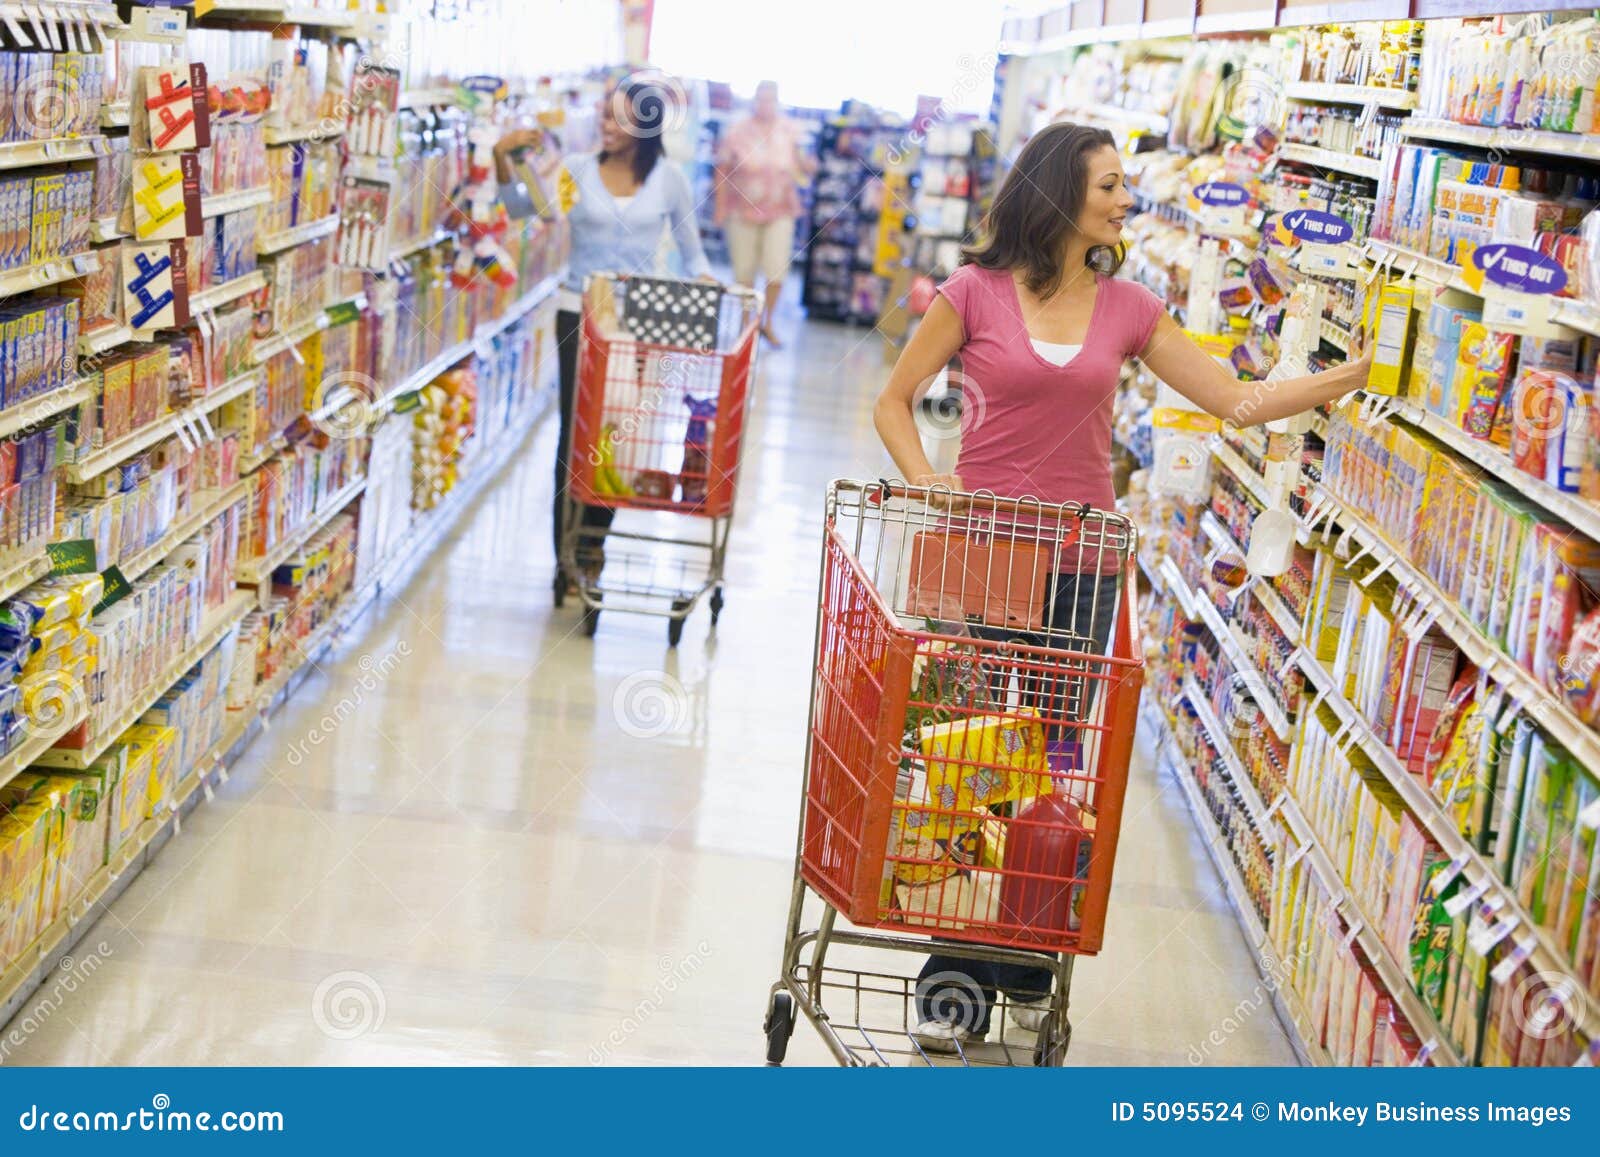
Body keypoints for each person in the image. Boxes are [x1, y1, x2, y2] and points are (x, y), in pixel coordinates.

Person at [873, 120, 1372, 1053]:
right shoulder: (973, 292)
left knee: (1056, 769)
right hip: (981, 558)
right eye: (1109, 184)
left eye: (1125, 186)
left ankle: (1023, 954)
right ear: (1062, 191)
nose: (1125, 199)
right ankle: (954, 970)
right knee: (963, 763)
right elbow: (893, 399)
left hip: (1082, 563)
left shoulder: (1132, 307)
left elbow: (1235, 401)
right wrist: (924, 478)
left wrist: (1349, 376)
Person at [494, 77, 713, 595]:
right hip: (579, 315)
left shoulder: (668, 179)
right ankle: (565, 559)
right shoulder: (576, 171)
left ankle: (593, 550)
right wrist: (502, 158)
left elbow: (693, 249)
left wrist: (713, 295)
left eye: (617, 119)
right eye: (603, 117)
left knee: (614, 441)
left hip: (636, 328)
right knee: (574, 436)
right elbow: (532, 214)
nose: (605, 126)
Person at [714, 80, 812, 347]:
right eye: (761, 99)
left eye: (770, 99)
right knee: (743, 269)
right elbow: (722, 169)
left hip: (780, 209)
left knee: (777, 267)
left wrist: (807, 165)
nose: (765, 104)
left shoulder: (791, 131)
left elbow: (806, 166)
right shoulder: (737, 131)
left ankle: (767, 322)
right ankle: (746, 325)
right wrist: (719, 208)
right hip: (741, 208)